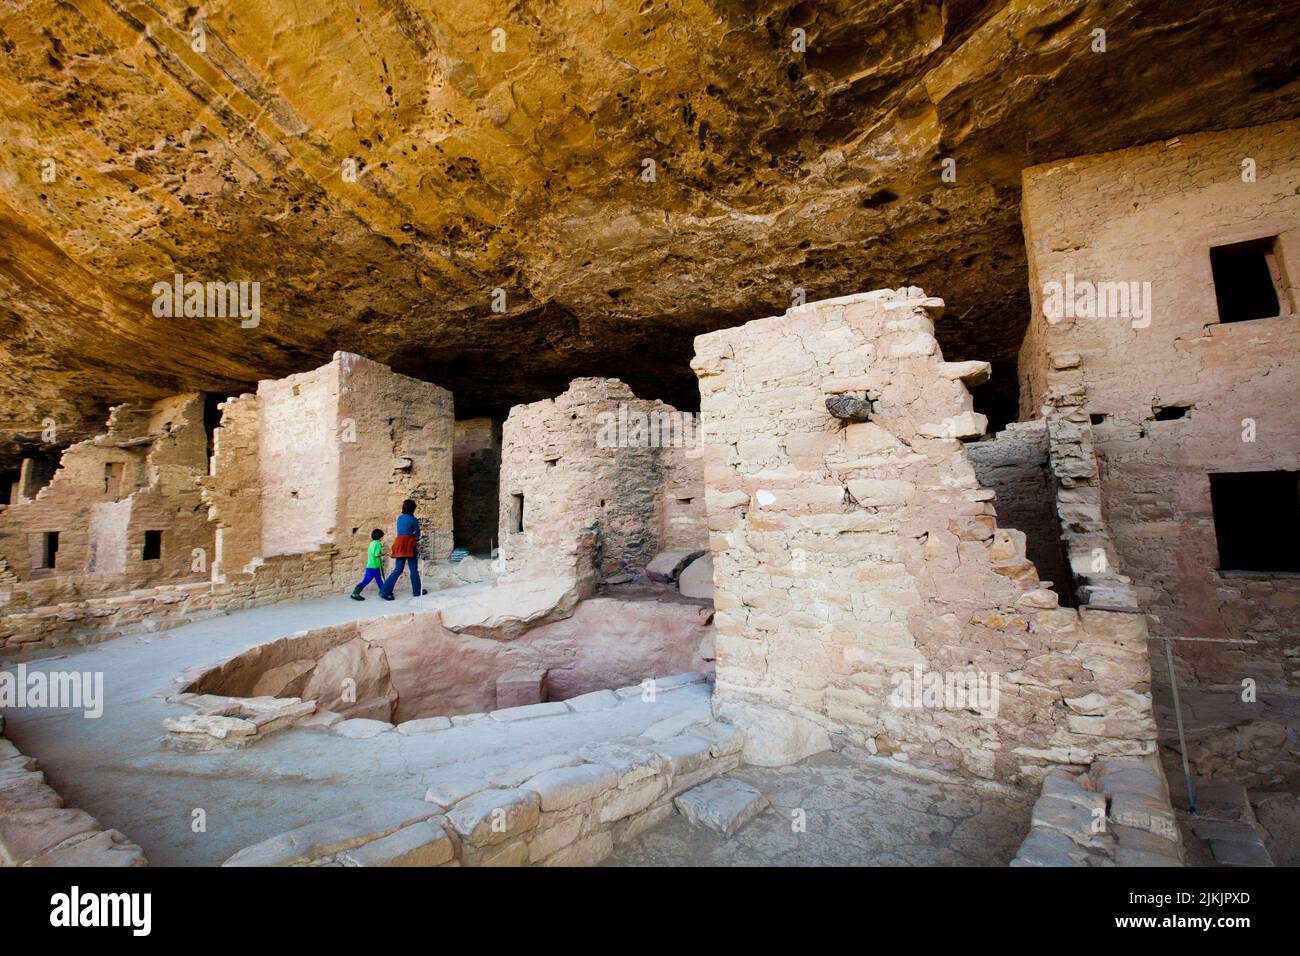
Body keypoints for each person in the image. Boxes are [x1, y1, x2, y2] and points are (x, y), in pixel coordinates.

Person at [380, 499, 424, 600]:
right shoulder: (413, 519)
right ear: (413, 509)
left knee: (398, 569)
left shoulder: (400, 518)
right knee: (413, 569)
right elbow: (417, 534)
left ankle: (384, 591)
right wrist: (413, 535)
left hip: (399, 544)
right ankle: (417, 591)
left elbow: (402, 531)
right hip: (409, 545)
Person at [350, 529, 385, 600]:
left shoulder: (371, 543)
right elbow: (376, 554)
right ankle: (355, 593)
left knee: (379, 579)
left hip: (370, 565)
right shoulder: (378, 544)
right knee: (368, 580)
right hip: (375, 566)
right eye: (382, 536)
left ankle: (384, 591)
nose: (382, 538)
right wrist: (383, 554)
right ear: (380, 537)